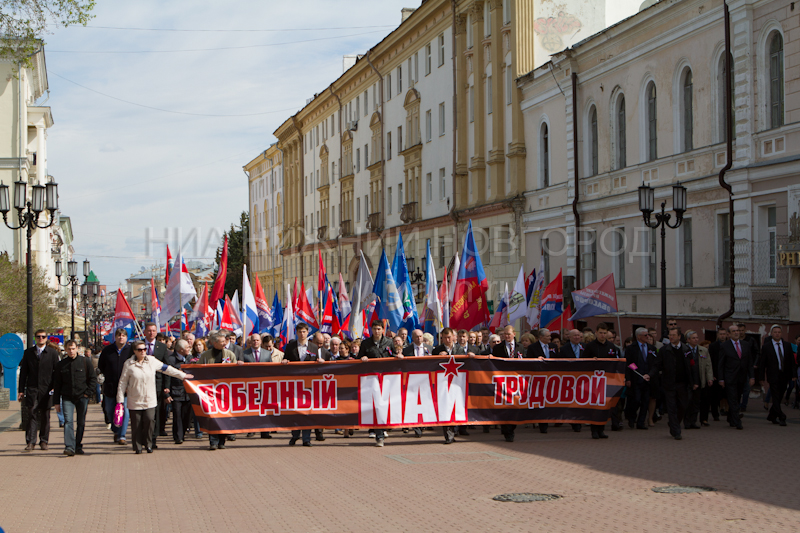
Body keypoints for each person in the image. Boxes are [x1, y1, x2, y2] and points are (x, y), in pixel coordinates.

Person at [117, 340, 193, 454]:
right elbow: (122, 382)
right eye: (140, 350)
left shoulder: (151, 361)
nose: (143, 351)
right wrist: (120, 400)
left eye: (144, 349)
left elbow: (167, 369)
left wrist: (183, 376)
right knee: (136, 424)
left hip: (150, 399)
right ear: (134, 351)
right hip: (135, 399)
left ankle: (148, 444)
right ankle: (137, 446)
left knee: (149, 420)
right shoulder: (128, 364)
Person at [644, 327, 698, 440]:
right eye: (670, 335)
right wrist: (650, 374)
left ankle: (674, 424)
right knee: (671, 407)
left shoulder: (686, 349)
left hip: (683, 383)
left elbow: (692, 366)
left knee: (683, 405)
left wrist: (695, 381)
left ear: (679, 336)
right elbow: (657, 365)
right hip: (669, 384)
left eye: (674, 335)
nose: (671, 337)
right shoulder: (664, 350)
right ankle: (676, 431)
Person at [283, 323, 326, 446]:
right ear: (296, 333)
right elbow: (286, 360)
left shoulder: (313, 347)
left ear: (307, 333)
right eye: (300, 332)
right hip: (294, 383)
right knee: (295, 410)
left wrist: (321, 362)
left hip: (309, 384)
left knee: (307, 411)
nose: (302, 334)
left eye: (304, 332)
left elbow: (318, 363)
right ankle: (295, 435)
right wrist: (285, 361)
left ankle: (306, 438)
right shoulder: (290, 346)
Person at [18, 329, 60, 452]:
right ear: (35, 338)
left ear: (46, 338)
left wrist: (54, 387)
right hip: (32, 389)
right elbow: (23, 373)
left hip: (46, 389)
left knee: (45, 416)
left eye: (43, 336)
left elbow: (56, 372)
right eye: (38, 337)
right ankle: (30, 442)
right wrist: (21, 390)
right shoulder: (28, 353)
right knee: (32, 414)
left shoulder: (52, 353)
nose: (40, 338)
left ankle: (44, 440)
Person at [52, 340, 96, 456]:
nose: (71, 351)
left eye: (73, 348)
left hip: (82, 397)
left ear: (77, 348)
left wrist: (87, 393)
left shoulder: (85, 362)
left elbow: (92, 379)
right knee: (68, 421)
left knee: (81, 422)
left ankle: (77, 445)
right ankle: (69, 446)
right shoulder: (61, 365)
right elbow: (57, 384)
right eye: (69, 349)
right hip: (67, 397)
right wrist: (56, 402)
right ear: (65, 350)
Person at [200, 331, 242, 449]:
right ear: (214, 343)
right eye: (222, 341)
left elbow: (235, 371)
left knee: (224, 416)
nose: (224, 343)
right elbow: (197, 370)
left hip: (225, 391)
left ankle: (221, 442)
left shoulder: (230, 354)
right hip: (210, 391)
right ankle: (213, 441)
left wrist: (238, 365)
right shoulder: (205, 356)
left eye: (225, 341)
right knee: (212, 416)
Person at [359, 320, 395, 446]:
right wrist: (362, 359)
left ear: (383, 329)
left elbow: (395, 356)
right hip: (372, 379)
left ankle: (384, 429)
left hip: (387, 379)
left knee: (385, 406)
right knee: (377, 406)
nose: (377, 331)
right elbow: (359, 358)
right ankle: (379, 435)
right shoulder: (365, 343)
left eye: (379, 329)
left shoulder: (389, 342)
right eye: (374, 329)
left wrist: (399, 356)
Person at [98, 328, 133, 445]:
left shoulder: (130, 351)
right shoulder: (107, 350)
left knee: (125, 412)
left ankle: (122, 436)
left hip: (126, 388)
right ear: (115, 337)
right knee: (110, 410)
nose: (121, 337)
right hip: (110, 387)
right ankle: (116, 430)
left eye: (123, 335)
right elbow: (101, 365)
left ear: (126, 337)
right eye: (119, 335)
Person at [718, 324, 755, 430]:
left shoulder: (746, 345)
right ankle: (737, 421)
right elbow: (721, 364)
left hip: (741, 377)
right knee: (732, 399)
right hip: (730, 377)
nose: (736, 332)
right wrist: (721, 379)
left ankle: (731, 417)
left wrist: (752, 376)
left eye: (738, 330)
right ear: (729, 334)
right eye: (734, 331)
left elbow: (749, 362)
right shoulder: (725, 346)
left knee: (737, 398)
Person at [432, 327, 466, 444]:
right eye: (445, 338)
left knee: (456, 407)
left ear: (454, 337)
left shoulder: (460, 349)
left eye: (449, 337)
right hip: (443, 384)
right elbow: (431, 365)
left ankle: (454, 430)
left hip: (457, 383)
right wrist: (438, 357)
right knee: (446, 407)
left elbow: (465, 363)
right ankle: (448, 435)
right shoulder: (437, 350)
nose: (447, 340)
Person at [758, 325, 795, 426]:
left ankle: (772, 416)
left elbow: (791, 361)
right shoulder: (767, 346)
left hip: (785, 375)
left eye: (779, 332)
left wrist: (794, 374)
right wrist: (761, 377)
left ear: (781, 333)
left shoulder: (787, 345)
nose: (777, 334)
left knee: (779, 396)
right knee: (775, 396)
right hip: (773, 375)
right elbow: (762, 363)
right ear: (771, 333)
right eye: (775, 332)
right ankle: (782, 416)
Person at [492, 326, 524, 442]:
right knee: (505, 405)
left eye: (509, 334)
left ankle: (511, 427)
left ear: (514, 334)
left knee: (515, 406)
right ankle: (507, 430)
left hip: (517, 381)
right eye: (505, 334)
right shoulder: (498, 348)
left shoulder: (521, 347)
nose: (506, 336)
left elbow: (527, 361)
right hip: (503, 381)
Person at [141, 322, 170, 448]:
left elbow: (167, 368)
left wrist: (166, 386)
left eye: (153, 331)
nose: (151, 333)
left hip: (157, 385)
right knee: (143, 413)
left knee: (154, 414)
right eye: (149, 330)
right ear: (145, 332)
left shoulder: (162, 347)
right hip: (142, 384)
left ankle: (152, 439)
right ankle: (143, 437)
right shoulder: (138, 345)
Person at [625, 327, 656, 430]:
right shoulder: (631, 348)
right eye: (645, 335)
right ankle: (631, 416)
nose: (648, 337)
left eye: (648, 335)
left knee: (646, 401)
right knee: (636, 400)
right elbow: (629, 363)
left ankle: (641, 422)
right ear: (638, 336)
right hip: (636, 379)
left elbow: (654, 363)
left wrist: (650, 374)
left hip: (647, 379)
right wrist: (630, 377)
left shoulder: (652, 348)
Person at [164, 340, 194, 444]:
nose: (189, 349)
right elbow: (167, 376)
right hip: (176, 391)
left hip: (188, 392)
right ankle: (178, 436)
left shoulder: (190, 359)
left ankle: (183, 433)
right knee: (177, 415)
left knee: (186, 416)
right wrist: (167, 393)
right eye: (187, 347)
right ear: (181, 350)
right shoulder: (171, 360)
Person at [682, 331, 713, 428]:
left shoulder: (703, 350)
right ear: (688, 340)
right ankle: (686, 422)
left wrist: (710, 378)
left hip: (700, 379)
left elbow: (708, 365)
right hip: (687, 380)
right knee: (688, 401)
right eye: (693, 338)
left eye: (697, 337)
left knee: (696, 402)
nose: (696, 339)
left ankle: (693, 422)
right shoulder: (683, 349)